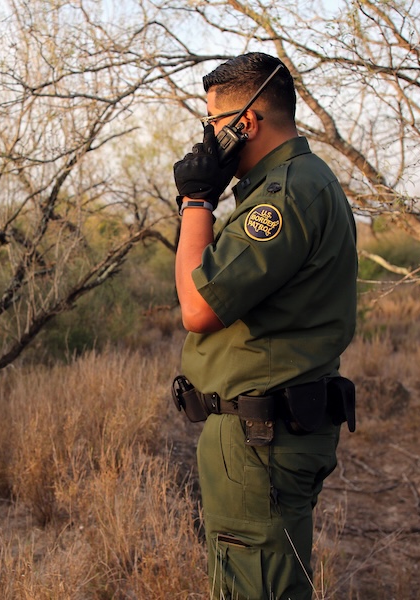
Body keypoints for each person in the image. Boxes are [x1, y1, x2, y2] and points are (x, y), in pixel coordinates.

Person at [171, 52, 358, 600]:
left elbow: (198, 306)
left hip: (260, 441)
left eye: (213, 124)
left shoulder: (283, 196)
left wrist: (195, 200)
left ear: (245, 123)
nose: (208, 138)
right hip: (268, 433)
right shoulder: (299, 183)